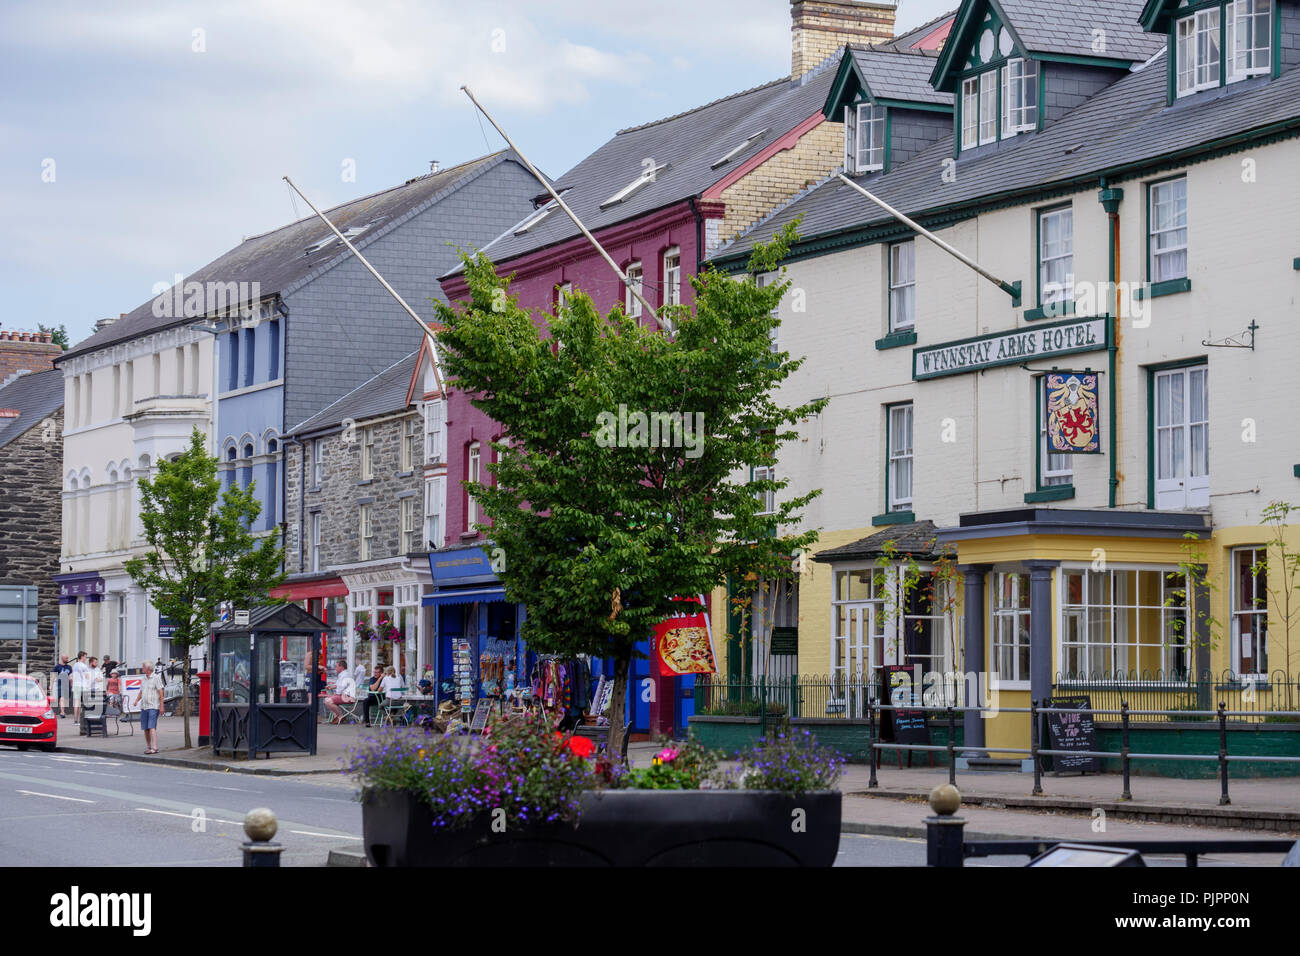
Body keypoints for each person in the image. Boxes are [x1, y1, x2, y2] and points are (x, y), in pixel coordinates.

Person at [135, 660, 165, 754]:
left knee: (152, 727)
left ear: (148, 668)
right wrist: (136, 700)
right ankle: (149, 747)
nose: (142, 668)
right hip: (144, 706)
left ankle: (155, 748)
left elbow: (161, 692)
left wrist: (162, 706)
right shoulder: (144, 678)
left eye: (143, 667)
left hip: (153, 706)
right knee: (145, 728)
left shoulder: (156, 678)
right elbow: (141, 691)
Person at [70, 651, 89, 723]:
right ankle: (83, 720)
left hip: (76, 685)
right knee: (84, 703)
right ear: (82, 656)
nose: (85, 658)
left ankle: (75, 720)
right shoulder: (84, 666)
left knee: (76, 703)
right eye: (85, 657)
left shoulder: (74, 665)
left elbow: (72, 676)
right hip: (83, 685)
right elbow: (87, 677)